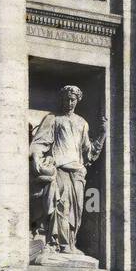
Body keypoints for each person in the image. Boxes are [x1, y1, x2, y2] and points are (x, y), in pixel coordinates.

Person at [29, 85, 106, 254]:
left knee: (76, 210)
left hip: (77, 171)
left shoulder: (82, 123)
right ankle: (59, 244)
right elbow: (40, 142)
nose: (69, 102)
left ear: (78, 100)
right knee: (61, 206)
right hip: (60, 168)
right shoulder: (53, 119)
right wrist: (36, 156)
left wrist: (103, 133)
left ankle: (71, 243)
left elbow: (89, 152)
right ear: (62, 100)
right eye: (66, 99)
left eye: (73, 99)